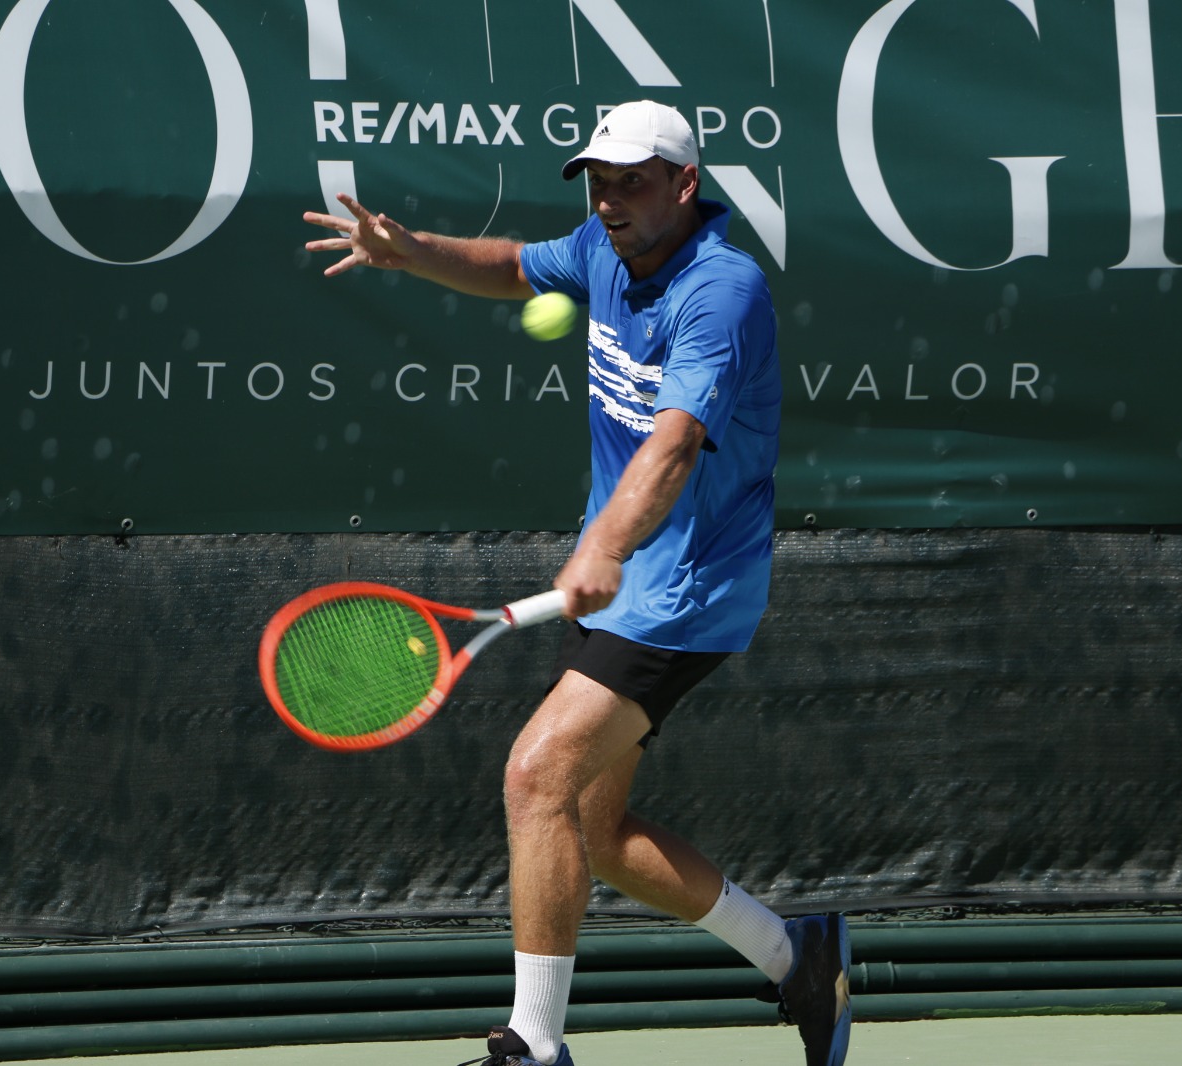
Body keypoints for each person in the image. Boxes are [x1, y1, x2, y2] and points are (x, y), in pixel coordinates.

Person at [303, 100, 850, 1066]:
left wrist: (602, 544)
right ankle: (796, 956)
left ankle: (535, 1048)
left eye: (631, 181)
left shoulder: (722, 293)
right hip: (627, 579)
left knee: (534, 775)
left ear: (686, 184)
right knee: (594, 831)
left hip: (687, 587)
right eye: (599, 181)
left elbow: (676, 443)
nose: (609, 200)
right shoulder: (605, 248)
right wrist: (409, 250)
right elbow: (516, 267)